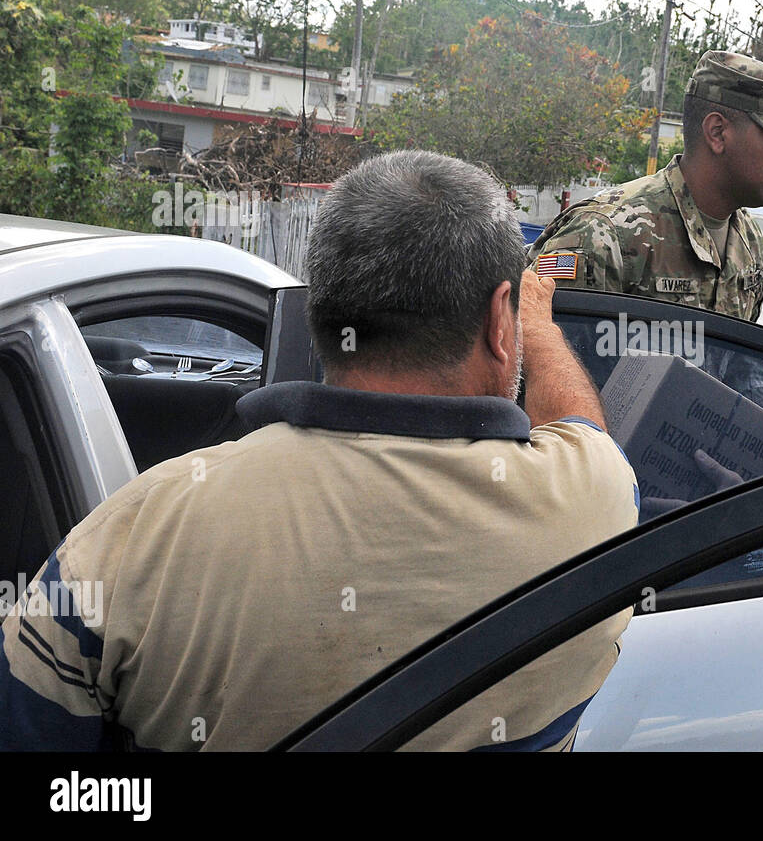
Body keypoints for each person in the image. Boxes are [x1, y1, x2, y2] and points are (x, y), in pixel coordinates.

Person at [0, 150, 640, 751]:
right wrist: (537, 327)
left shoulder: (125, 541)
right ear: (499, 321)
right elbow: (583, 430)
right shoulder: (593, 511)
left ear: (324, 312)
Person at [528, 49, 763, 323]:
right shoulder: (604, 235)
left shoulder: (748, 239)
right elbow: (542, 360)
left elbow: (740, 370)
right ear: (717, 132)